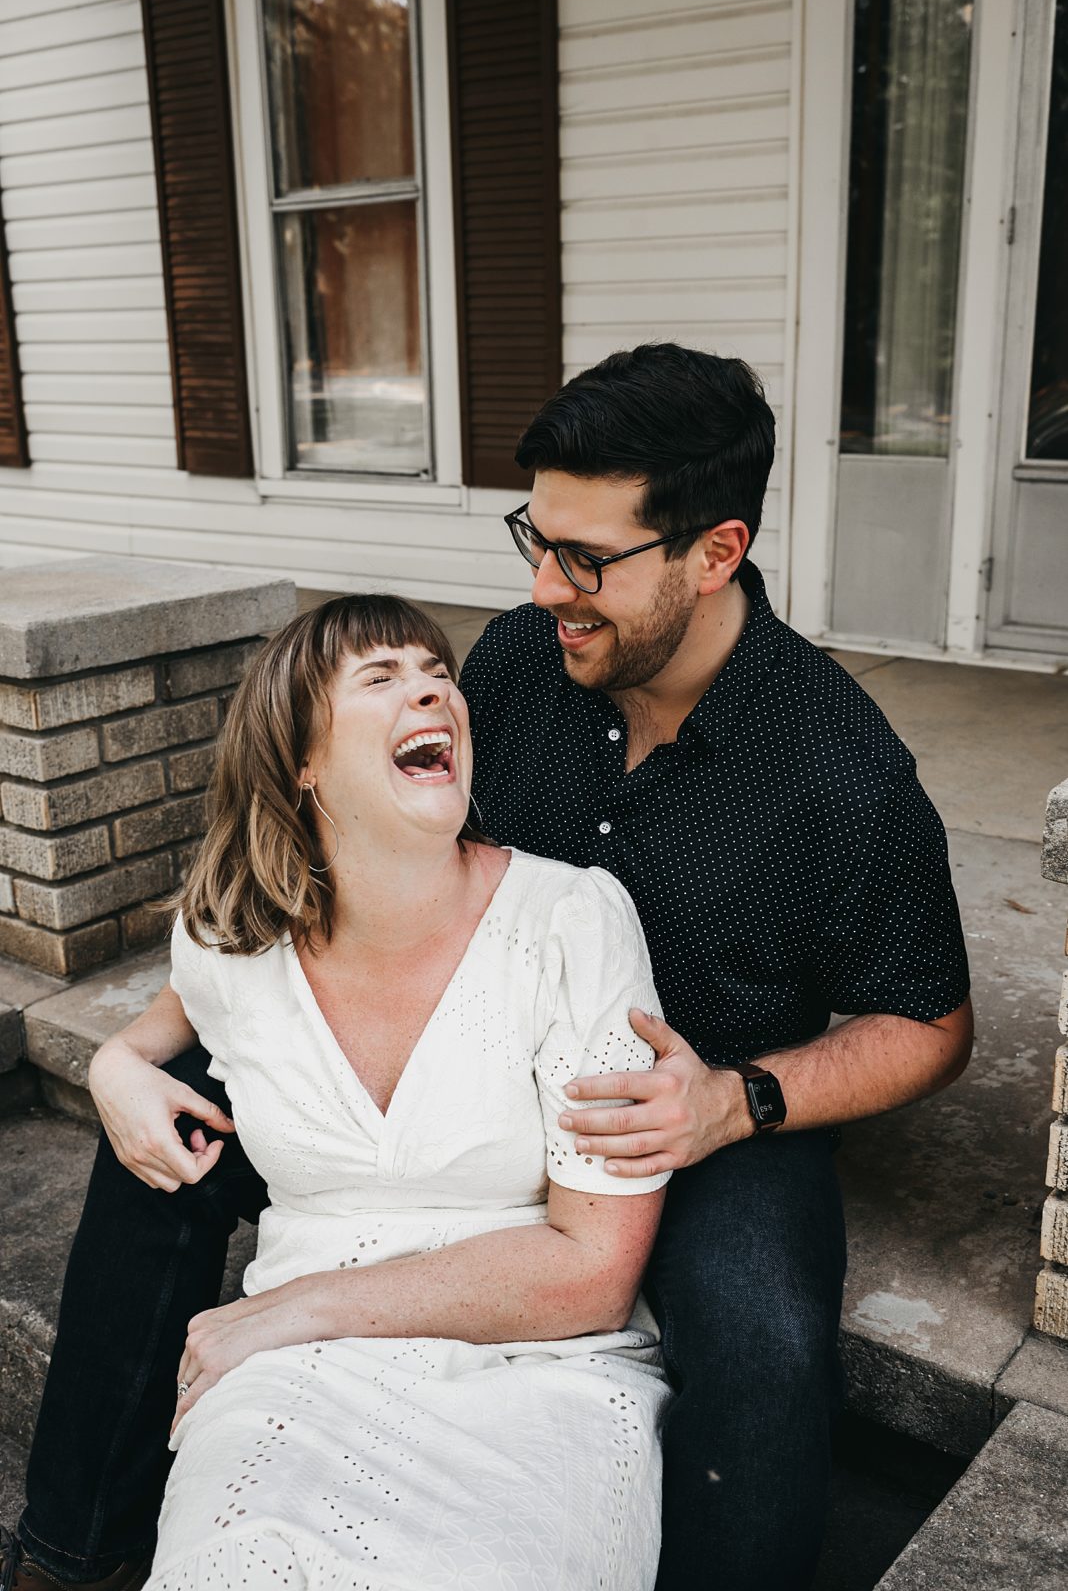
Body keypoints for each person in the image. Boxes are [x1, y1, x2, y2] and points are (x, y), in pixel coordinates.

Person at [4, 343, 972, 1591]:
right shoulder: (520, 662)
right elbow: (343, 878)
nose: (542, 582)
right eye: (536, 536)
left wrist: (740, 1100)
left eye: (584, 558)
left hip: (683, 1112)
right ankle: (71, 1551)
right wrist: (130, 1058)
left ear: (716, 552)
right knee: (155, 1149)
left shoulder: (841, 769)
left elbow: (930, 1025)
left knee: (763, 1337)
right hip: (453, 1044)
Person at [100, 593, 673, 1588]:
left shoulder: (573, 923)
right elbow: (174, 1010)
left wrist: (296, 1307)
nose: (431, 691)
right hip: (290, 1382)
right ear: (302, 762)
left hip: (540, 1371)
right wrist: (114, 1065)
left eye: (436, 673)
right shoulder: (232, 945)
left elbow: (593, 1268)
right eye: (382, 678)